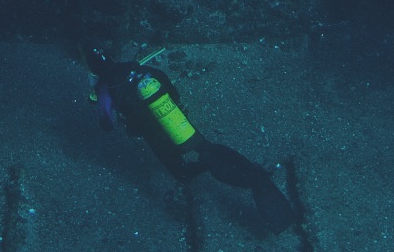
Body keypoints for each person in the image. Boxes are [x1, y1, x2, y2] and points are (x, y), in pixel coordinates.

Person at [84, 46, 293, 233]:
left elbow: (107, 124)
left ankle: (224, 171)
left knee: (182, 173)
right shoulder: (138, 71)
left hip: (154, 134)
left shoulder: (105, 88)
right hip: (173, 117)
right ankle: (251, 172)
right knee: (204, 146)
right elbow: (166, 83)